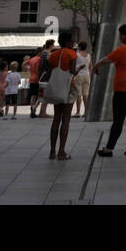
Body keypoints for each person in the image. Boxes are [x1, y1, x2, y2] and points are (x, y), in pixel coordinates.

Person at [93, 24, 126, 157]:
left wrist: (96, 65)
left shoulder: (122, 50)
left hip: (124, 88)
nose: (119, 37)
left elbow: (106, 60)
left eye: (120, 35)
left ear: (124, 35)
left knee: (118, 119)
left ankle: (109, 149)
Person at [45, 31, 77, 160]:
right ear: (68, 42)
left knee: (56, 118)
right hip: (68, 88)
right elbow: (72, 72)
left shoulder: (53, 54)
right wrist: (79, 70)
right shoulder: (72, 54)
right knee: (66, 120)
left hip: (56, 88)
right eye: (72, 40)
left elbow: (48, 74)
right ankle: (61, 151)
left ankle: (52, 151)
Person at [72, 41, 92, 117]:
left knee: (78, 94)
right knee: (86, 94)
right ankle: (86, 112)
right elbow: (91, 67)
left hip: (79, 75)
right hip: (87, 76)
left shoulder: (76, 55)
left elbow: (74, 66)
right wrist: (89, 75)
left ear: (79, 47)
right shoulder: (89, 56)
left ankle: (78, 112)